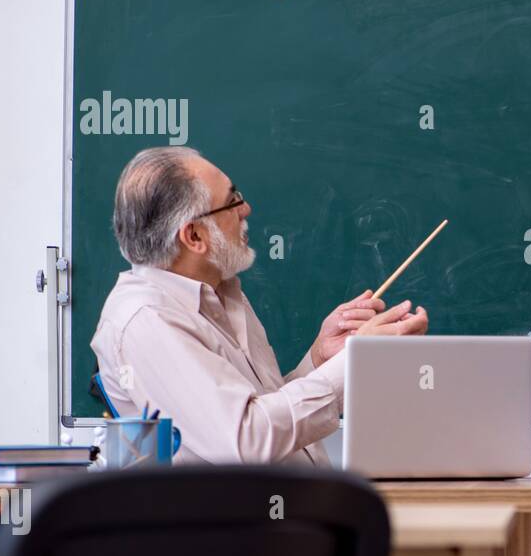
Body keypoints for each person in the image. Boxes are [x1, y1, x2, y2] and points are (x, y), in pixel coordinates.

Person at [91, 146, 428, 466]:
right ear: (194, 237)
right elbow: (246, 440)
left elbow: (264, 410)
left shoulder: (221, 293)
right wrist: (355, 362)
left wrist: (319, 359)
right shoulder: (147, 320)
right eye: (232, 201)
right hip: (241, 526)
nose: (246, 209)